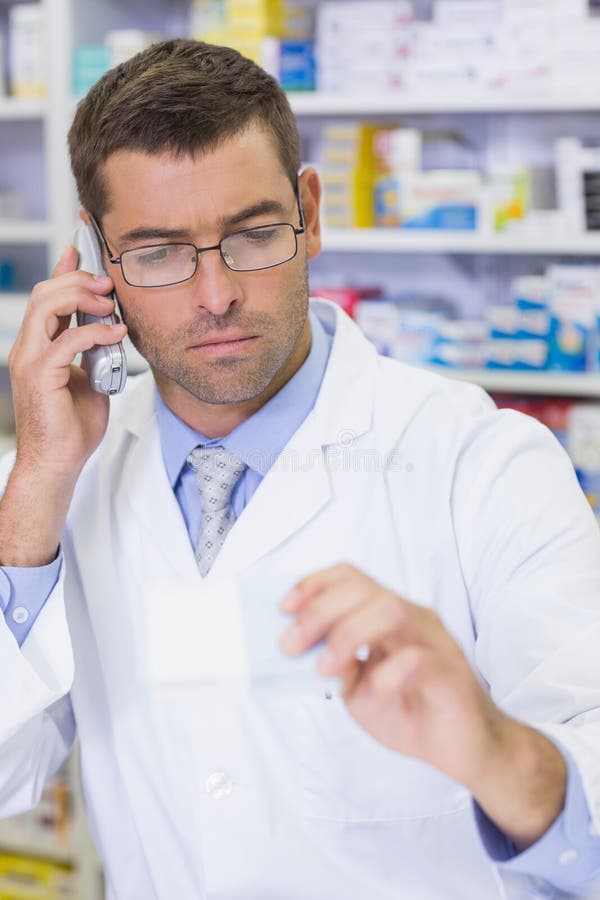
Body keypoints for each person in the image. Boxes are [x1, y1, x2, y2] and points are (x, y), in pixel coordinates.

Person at [0, 38, 599, 900]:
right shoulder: (64, 483)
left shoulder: (484, 462)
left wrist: (493, 748)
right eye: (160, 251)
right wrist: (37, 485)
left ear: (309, 211)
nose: (216, 297)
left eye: (251, 235)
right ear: (99, 261)